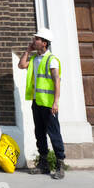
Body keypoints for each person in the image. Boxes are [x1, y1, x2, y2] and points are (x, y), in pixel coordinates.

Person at [17, 28, 64, 178]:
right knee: (39, 133)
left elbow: (57, 80)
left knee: (54, 133)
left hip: (49, 104)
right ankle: (43, 164)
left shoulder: (52, 60)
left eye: (37, 39)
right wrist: (27, 51)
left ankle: (60, 165)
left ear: (44, 43)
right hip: (37, 102)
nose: (34, 40)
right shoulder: (34, 59)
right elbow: (21, 65)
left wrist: (56, 102)